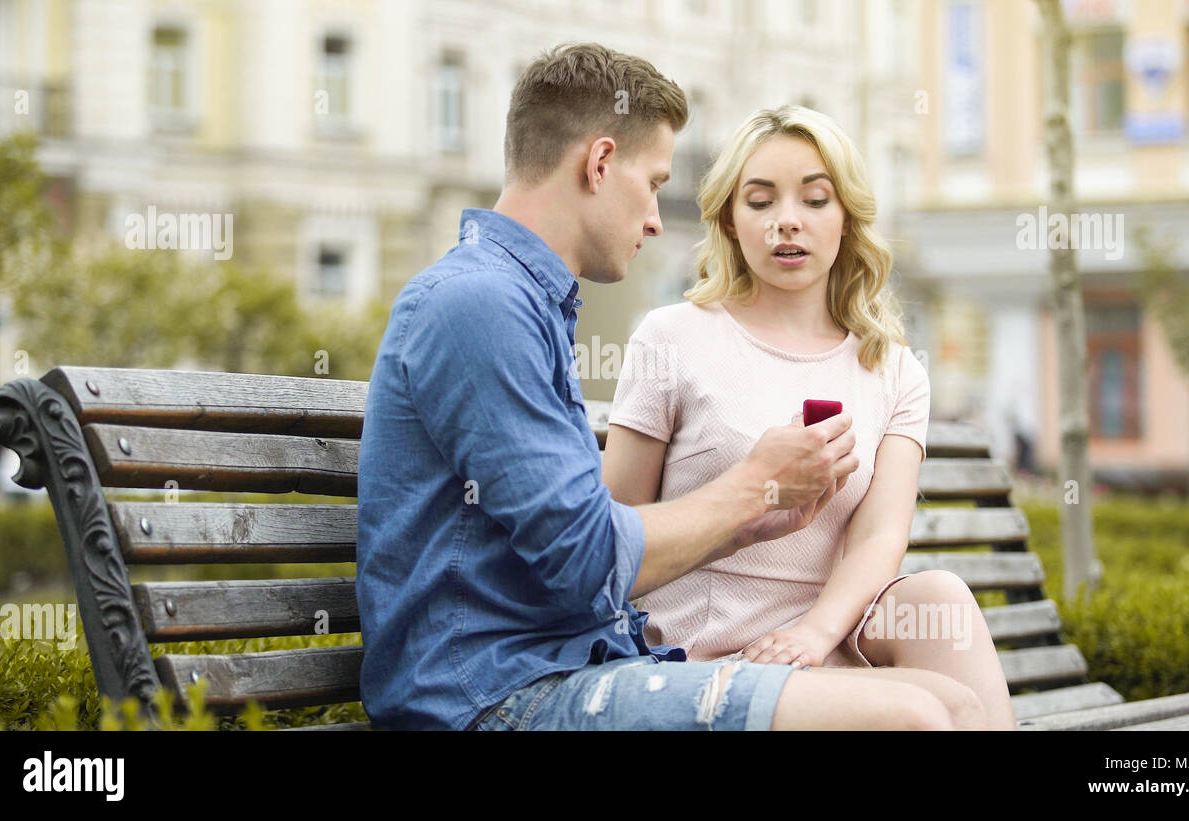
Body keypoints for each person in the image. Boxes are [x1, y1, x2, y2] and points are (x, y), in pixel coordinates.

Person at [357, 42, 987, 731]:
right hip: (493, 694)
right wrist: (753, 490)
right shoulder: (478, 305)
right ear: (599, 164)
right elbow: (587, 560)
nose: (657, 217)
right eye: (654, 182)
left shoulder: (523, 305)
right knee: (914, 717)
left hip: (567, 665)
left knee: (955, 705)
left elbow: (585, 547)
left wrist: (756, 513)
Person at [602, 104, 1017, 730]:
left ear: (846, 217)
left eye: (815, 200)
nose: (786, 222)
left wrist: (816, 631)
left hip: (826, 641)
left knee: (942, 601)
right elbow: (618, 532)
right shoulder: (672, 338)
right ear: (730, 219)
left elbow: (881, 534)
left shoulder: (894, 368)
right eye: (760, 202)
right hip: (702, 652)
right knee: (953, 711)